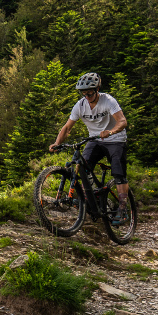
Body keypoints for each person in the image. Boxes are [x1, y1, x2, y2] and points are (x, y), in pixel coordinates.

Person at [48, 72, 131, 225]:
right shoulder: (80, 105)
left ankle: (123, 208)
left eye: (90, 93)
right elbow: (67, 128)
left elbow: (123, 122)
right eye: (83, 93)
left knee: (118, 173)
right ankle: (91, 198)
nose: (86, 96)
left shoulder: (108, 101)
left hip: (115, 139)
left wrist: (111, 131)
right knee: (82, 168)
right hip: (95, 140)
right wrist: (57, 143)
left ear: (97, 89)